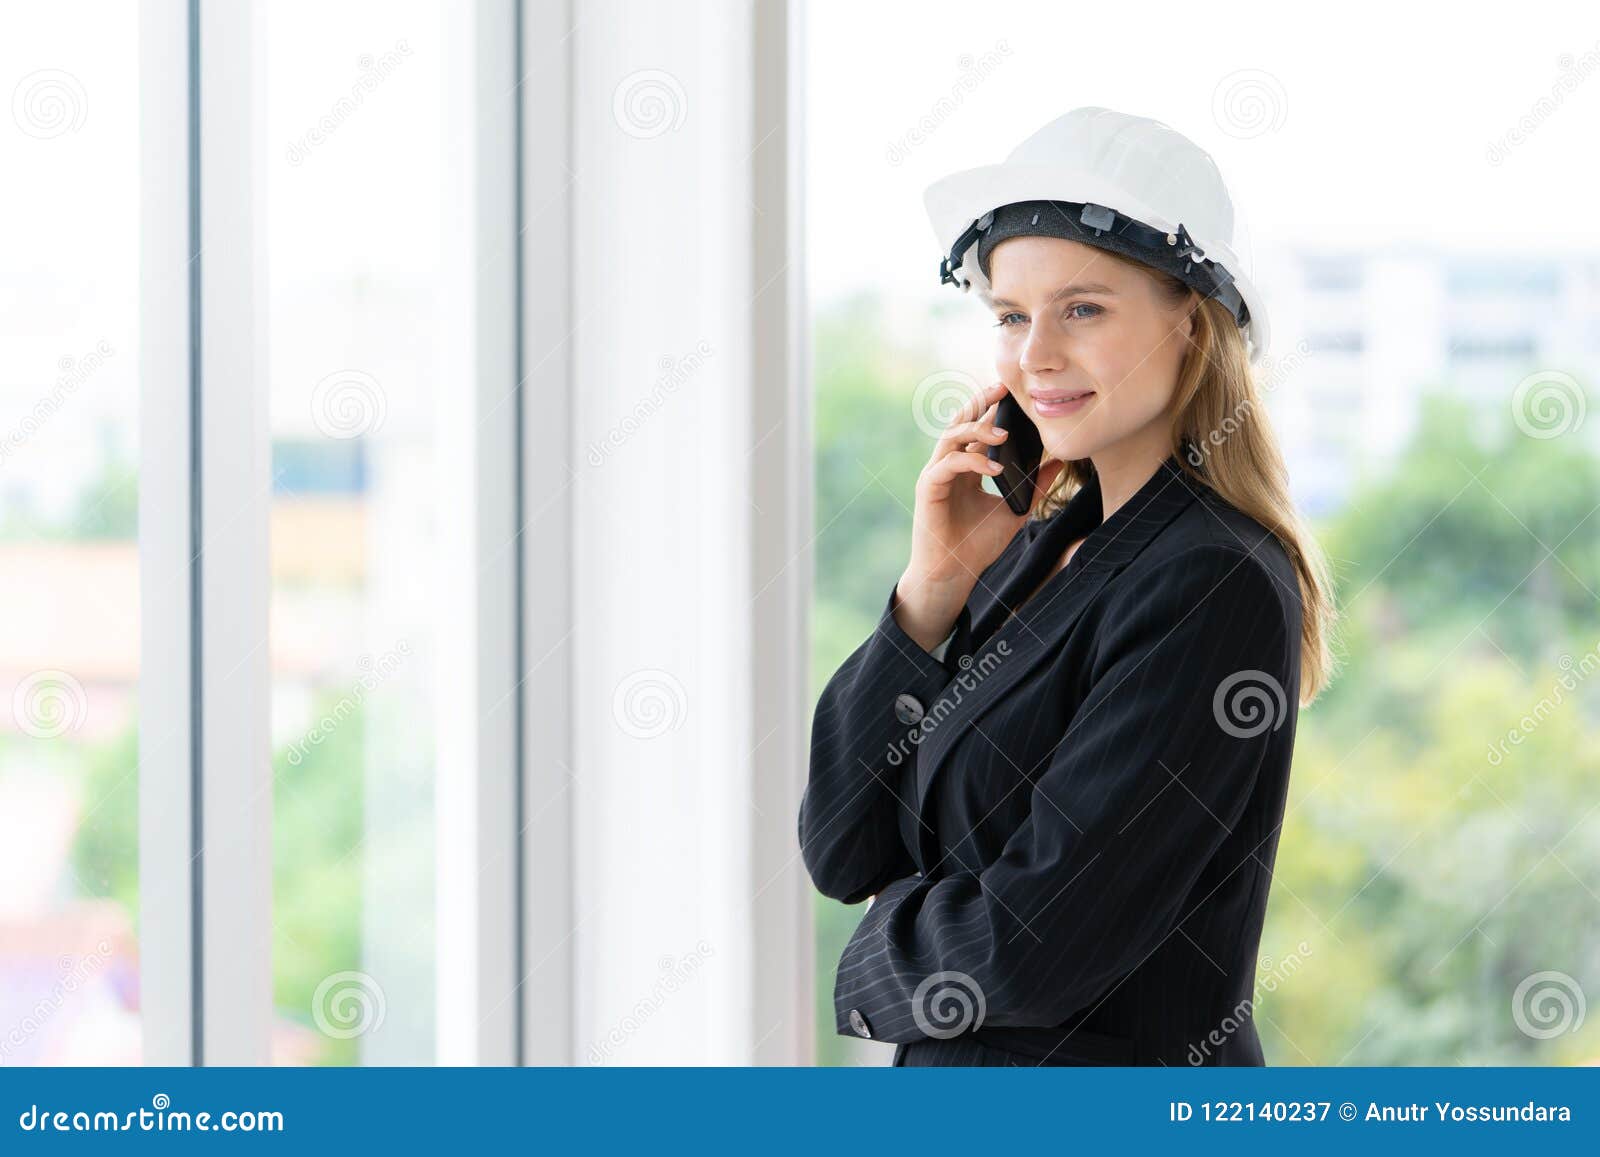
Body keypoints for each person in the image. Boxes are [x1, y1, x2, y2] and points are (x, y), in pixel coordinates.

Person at [797, 107, 1337, 1066]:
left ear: (1191, 323)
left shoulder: (1212, 582)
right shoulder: (1030, 556)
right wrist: (934, 588)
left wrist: (876, 949)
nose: (1034, 355)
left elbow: (1033, 947)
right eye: (1011, 315)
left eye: (1082, 308)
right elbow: (843, 845)